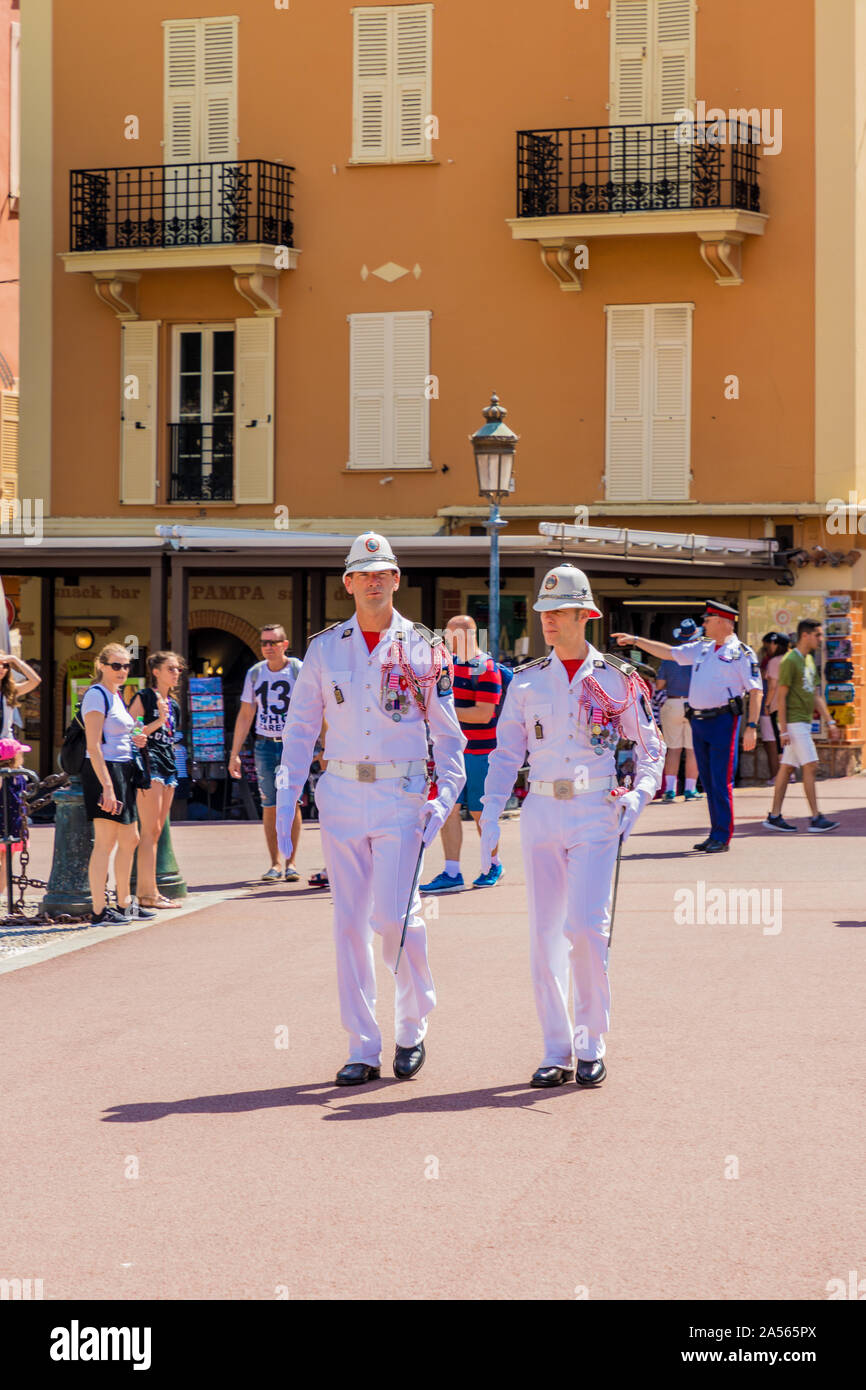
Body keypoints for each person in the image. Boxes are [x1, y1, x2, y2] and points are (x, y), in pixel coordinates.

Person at [275, 531, 466, 1086]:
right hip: (339, 795)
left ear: (397, 579)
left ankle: (412, 1020)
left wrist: (444, 796)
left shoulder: (426, 648)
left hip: (400, 796)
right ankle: (362, 1042)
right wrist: (288, 798)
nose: (374, 580)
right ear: (349, 583)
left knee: (394, 918)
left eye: (383, 571)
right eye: (364, 573)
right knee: (348, 925)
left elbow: (448, 737)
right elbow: (300, 728)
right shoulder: (324, 648)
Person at [480, 564, 662, 1089]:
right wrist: (490, 812)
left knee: (584, 927)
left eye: (560, 612)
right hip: (540, 810)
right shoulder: (527, 680)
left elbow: (650, 748)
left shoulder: (618, 678)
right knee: (543, 936)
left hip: (594, 811)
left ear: (586, 615)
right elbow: (505, 752)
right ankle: (556, 1048)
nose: (550, 622)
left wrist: (640, 795)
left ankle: (591, 1041)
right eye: (544, 613)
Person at [612, 600, 762, 853]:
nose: (703, 623)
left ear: (725, 622)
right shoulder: (702, 648)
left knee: (720, 779)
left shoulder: (742, 653)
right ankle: (715, 832)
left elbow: (756, 691)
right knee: (707, 779)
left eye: (708, 620)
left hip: (724, 720)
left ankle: (722, 835)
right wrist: (636, 640)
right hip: (699, 720)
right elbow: (669, 653)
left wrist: (752, 726)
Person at [420, 614, 505, 894]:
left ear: (468, 636)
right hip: (453, 752)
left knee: (482, 813)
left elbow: (483, 714)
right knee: (448, 810)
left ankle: (492, 864)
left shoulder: (486, 667)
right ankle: (452, 871)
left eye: (452, 635)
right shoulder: (449, 666)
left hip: (482, 752)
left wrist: (442, 712)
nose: (446, 640)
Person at [80, 643, 156, 926]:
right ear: (101, 666)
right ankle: (99, 911)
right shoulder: (95, 696)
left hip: (123, 769)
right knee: (105, 842)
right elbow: (93, 745)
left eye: (126, 666)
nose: (122, 671)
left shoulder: (116, 695)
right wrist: (108, 787)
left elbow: (122, 732)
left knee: (130, 839)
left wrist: (138, 738)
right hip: (104, 771)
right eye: (116, 665)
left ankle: (124, 903)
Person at [229, 625, 303, 882]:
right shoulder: (255, 673)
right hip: (264, 744)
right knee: (269, 804)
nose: (268, 647)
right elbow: (246, 714)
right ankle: (274, 863)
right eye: (264, 643)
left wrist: (321, 743)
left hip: (292, 745)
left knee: (291, 802)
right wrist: (234, 753)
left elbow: (316, 705)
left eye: (273, 642)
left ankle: (291, 862)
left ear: (285, 644)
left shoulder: (297, 669)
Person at [763, 619, 839, 833]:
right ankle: (816, 818)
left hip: (803, 723)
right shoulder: (790, 660)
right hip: (794, 723)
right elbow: (782, 695)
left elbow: (815, 696)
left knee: (786, 769)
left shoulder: (808, 661)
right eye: (818, 635)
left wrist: (830, 722)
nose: (820, 639)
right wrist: (783, 728)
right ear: (805, 635)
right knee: (811, 764)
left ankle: (774, 815)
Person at [127, 651, 186, 908]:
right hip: (149, 765)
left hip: (168, 766)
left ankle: (150, 891)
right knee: (148, 831)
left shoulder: (174, 704)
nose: (176, 673)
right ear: (156, 672)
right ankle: (147, 893)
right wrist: (158, 721)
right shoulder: (145, 697)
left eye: (178, 669)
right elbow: (132, 731)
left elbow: (173, 736)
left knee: (157, 831)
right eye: (171, 668)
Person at [654, 616, 702, 802]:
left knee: (673, 749)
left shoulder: (669, 658)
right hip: (694, 704)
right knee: (692, 749)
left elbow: (659, 685)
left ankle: (670, 790)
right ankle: (690, 790)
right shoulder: (699, 657)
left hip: (673, 702)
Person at [0, 651, 41, 739]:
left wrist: (15, 660)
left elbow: (35, 681)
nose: (1, 668)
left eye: (5, 665)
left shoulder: (10, 690)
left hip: (5, 744)